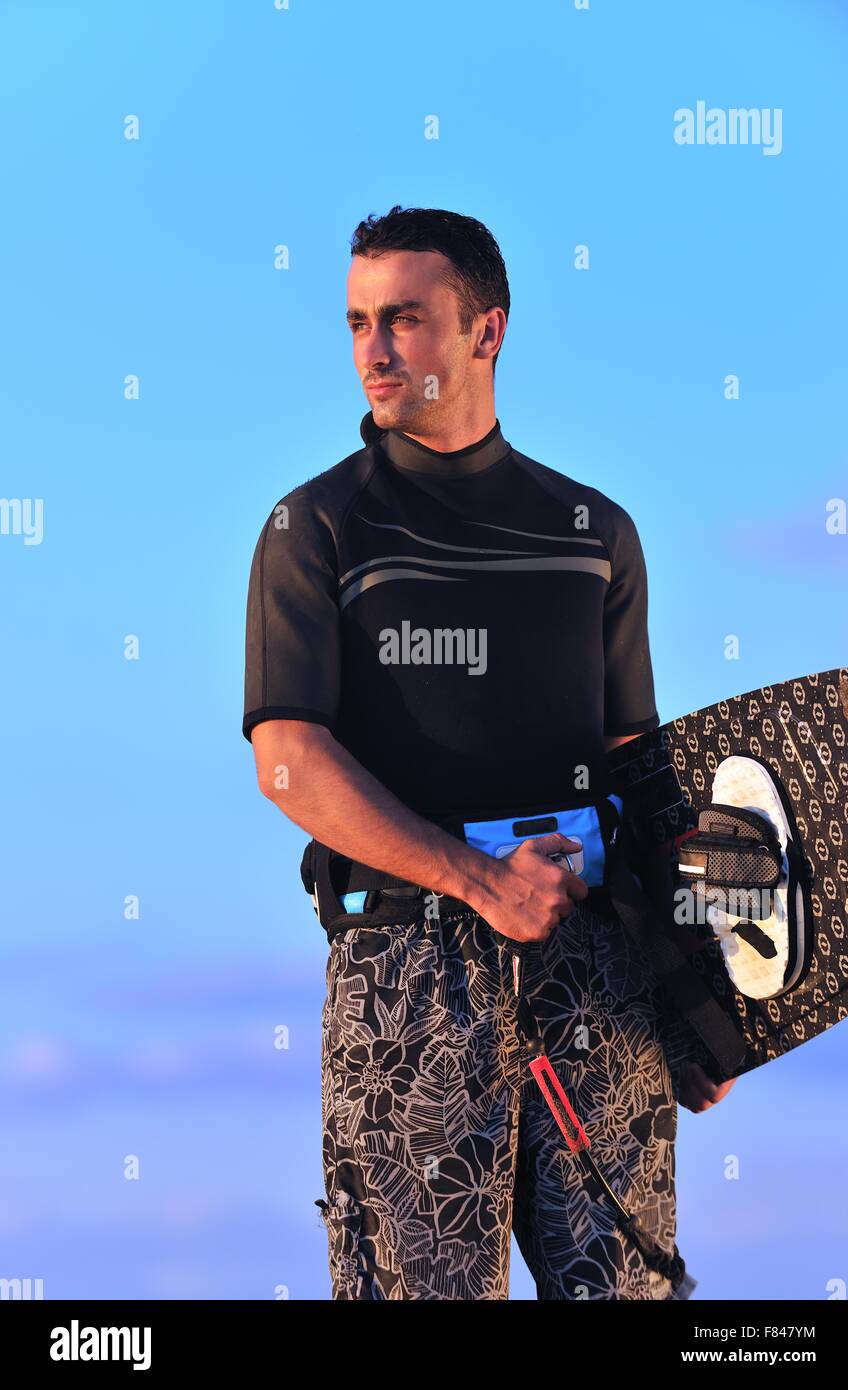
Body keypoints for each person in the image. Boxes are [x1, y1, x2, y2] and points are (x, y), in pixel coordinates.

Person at [242, 205, 735, 1301]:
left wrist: (696, 1000)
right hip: (406, 975)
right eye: (359, 321)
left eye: (406, 319)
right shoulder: (315, 529)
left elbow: (636, 773)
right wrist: (474, 881)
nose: (374, 349)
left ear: (486, 330)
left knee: (627, 1293)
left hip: (592, 971)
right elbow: (287, 759)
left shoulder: (590, 534)